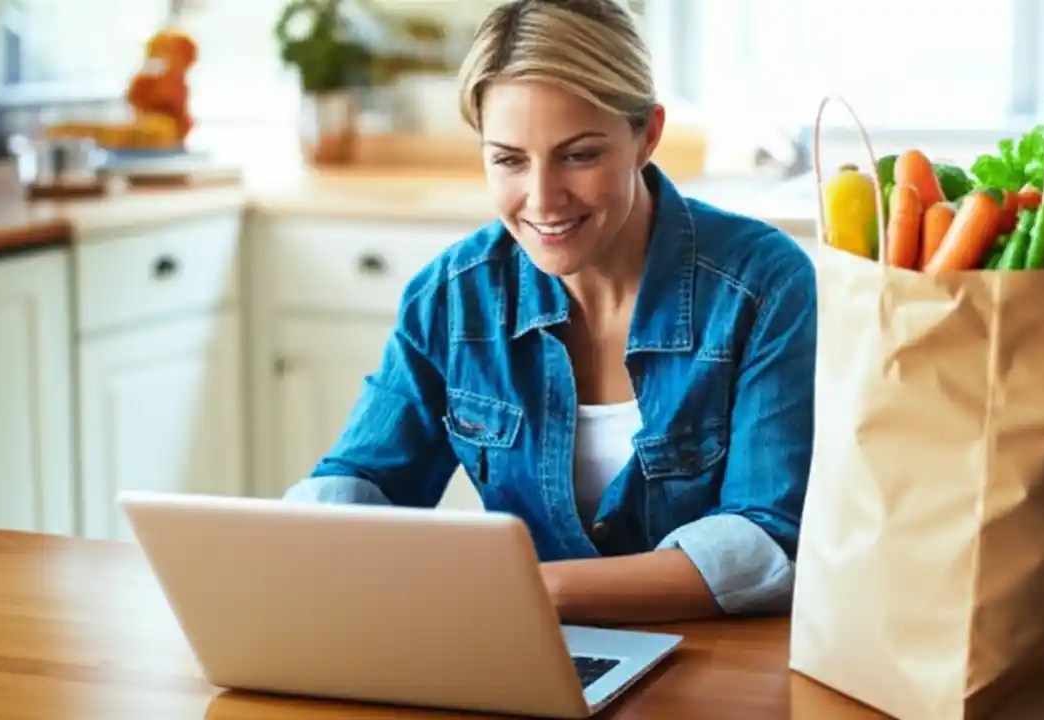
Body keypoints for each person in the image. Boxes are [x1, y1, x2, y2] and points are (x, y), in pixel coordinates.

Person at [283, 0, 816, 626]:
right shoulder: (452, 298)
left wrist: (532, 589)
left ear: (647, 135)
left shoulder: (762, 285)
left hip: (716, 668)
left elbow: (765, 543)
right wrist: (294, 543)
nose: (542, 199)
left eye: (579, 155)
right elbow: (362, 478)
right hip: (526, 657)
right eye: (508, 159)